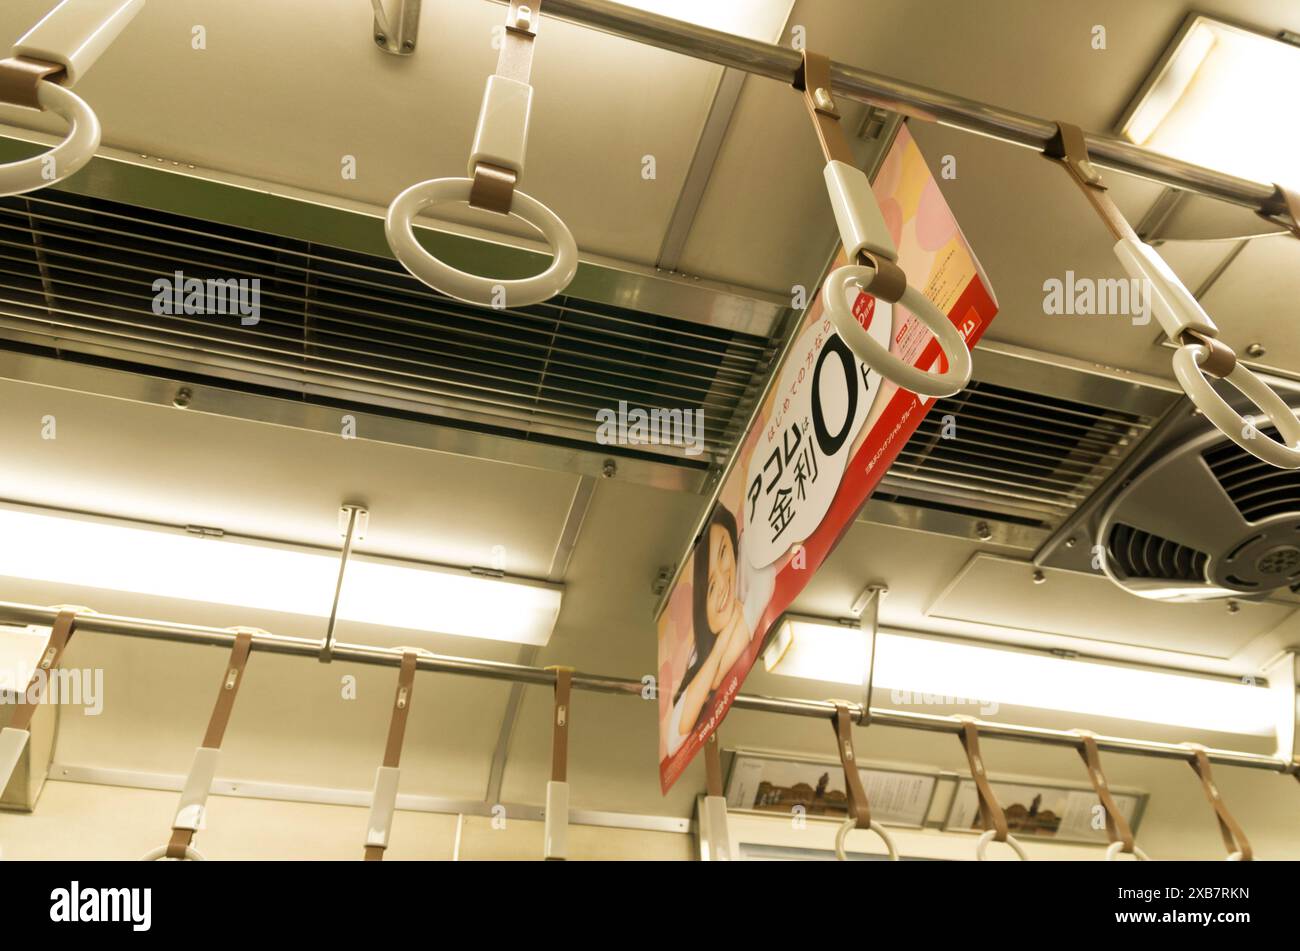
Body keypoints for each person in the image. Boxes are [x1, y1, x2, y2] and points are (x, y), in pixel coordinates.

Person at [665, 504, 756, 756]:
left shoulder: (750, 569)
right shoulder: (697, 654)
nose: (724, 581)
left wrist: (716, 665)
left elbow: (757, 603)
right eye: (711, 586)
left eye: (725, 552)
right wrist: (718, 649)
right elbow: (677, 734)